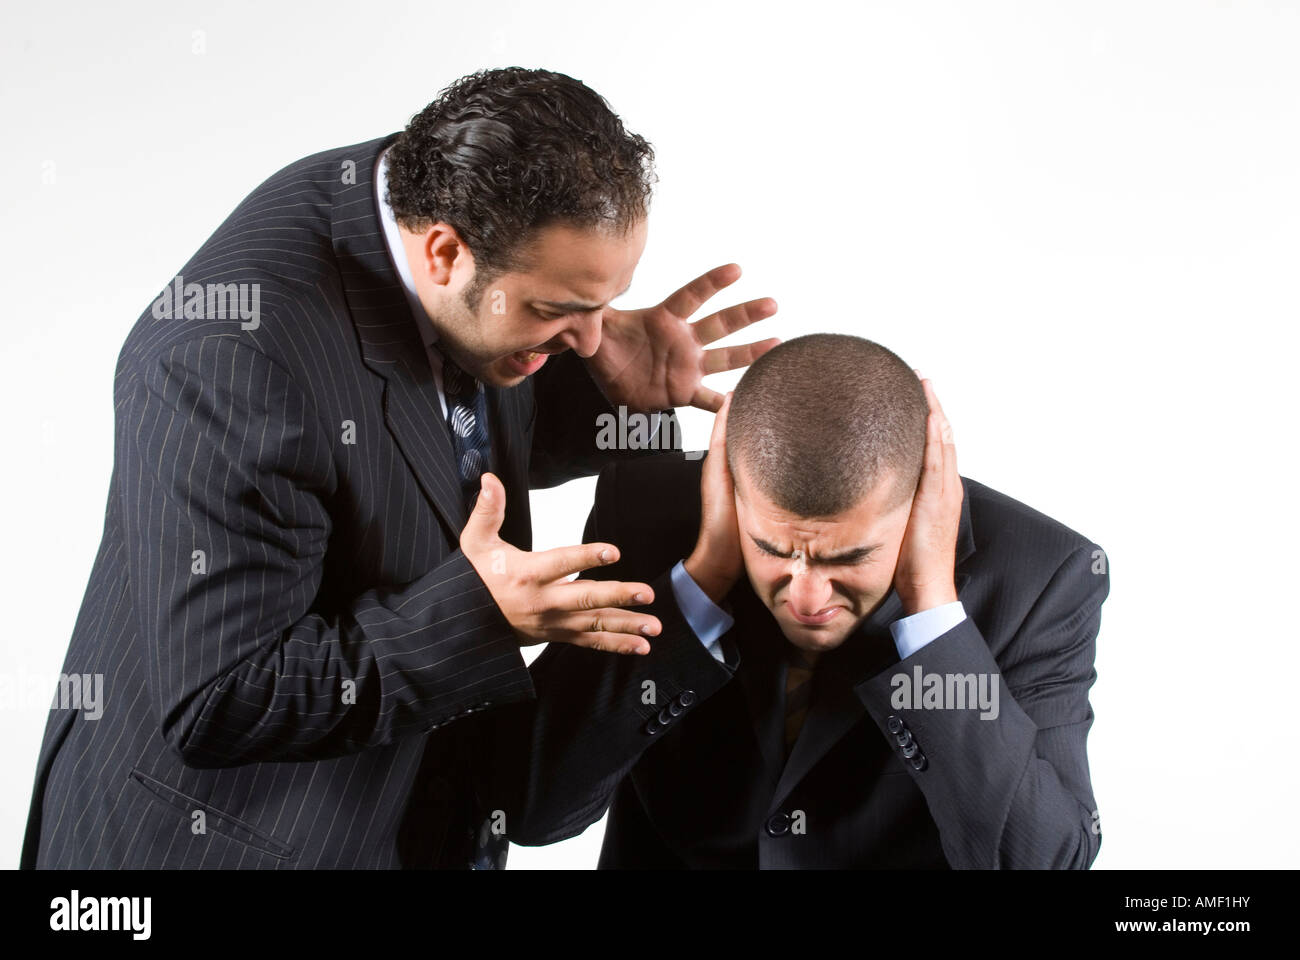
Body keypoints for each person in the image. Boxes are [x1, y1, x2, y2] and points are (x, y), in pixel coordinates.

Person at [21, 67, 777, 869]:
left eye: (606, 302)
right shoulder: (229, 363)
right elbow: (224, 698)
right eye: (559, 312)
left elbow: (421, 447)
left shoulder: (423, 207)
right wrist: (479, 618)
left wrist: (602, 395)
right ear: (446, 253)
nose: (593, 339)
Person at [505, 333, 1108, 868]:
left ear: (926, 500)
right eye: (771, 547)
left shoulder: (1043, 578)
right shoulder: (647, 513)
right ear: (728, 482)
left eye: (849, 558)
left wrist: (932, 615)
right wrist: (701, 581)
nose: (807, 597)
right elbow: (532, 808)